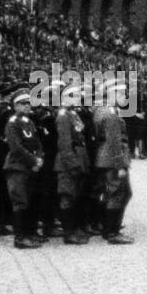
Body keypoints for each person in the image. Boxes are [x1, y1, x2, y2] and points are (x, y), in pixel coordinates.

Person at [93, 81, 134, 244]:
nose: (125, 97)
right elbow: (114, 142)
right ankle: (112, 232)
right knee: (118, 193)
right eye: (122, 93)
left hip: (105, 157)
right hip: (112, 158)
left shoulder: (101, 110)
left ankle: (108, 227)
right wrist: (120, 165)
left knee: (117, 192)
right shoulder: (110, 113)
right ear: (113, 93)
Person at [3, 91, 44, 249]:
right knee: (20, 202)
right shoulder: (12, 122)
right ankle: (20, 238)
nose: (27, 106)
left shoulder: (29, 121)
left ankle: (30, 233)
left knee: (31, 201)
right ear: (15, 106)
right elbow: (16, 148)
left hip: (30, 166)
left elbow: (37, 143)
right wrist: (34, 160)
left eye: (28, 103)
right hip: (17, 166)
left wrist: (39, 158)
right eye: (23, 103)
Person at [54, 83, 91, 245]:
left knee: (75, 196)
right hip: (68, 162)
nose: (77, 98)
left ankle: (75, 229)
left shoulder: (73, 114)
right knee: (67, 196)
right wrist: (73, 164)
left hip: (79, 158)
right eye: (74, 95)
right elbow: (64, 144)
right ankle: (68, 233)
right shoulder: (63, 116)